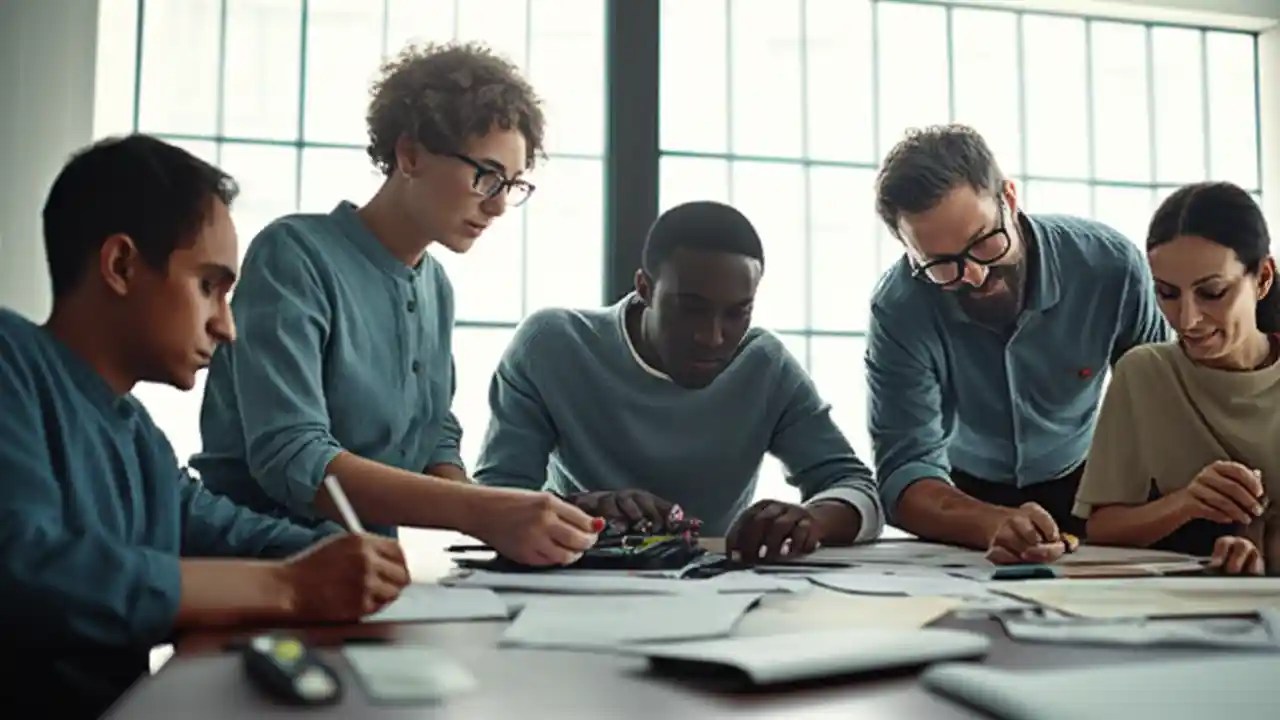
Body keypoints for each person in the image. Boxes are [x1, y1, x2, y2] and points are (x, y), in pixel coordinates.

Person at [0, 135, 410, 718]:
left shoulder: (133, 429)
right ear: (121, 265)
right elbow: (27, 573)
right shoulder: (9, 360)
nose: (227, 327)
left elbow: (221, 528)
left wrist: (342, 555)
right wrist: (290, 587)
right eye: (209, 286)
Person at [191, 42, 600, 565]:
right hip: (257, 563)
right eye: (487, 175)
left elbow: (434, 441)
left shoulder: (435, 286)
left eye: (513, 185)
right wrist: (481, 510)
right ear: (409, 155)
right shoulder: (295, 253)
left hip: (371, 569)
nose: (498, 205)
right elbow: (292, 457)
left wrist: (504, 517)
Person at [473, 201, 884, 561]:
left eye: (738, 312)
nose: (713, 337)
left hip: (718, 592)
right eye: (690, 309)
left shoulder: (764, 364)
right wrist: (584, 508)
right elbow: (492, 497)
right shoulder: (553, 345)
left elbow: (855, 487)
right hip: (574, 576)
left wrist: (809, 520)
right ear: (645, 288)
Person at [866, 124, 1168, 564]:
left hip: (1088, 483)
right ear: (910, 252)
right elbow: (903, 473)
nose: (973, 275)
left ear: (1008, 199)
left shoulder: (1111, 267)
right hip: (960, 496)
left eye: (983, 242)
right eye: (941, 265)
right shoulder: (899, 308)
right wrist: (991, 523)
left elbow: (1159, 413)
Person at [1074, 182, 1278, 575]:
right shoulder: (1144, 373)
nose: (1187, 320)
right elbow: (1102, 528)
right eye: (1167, 293)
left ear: (1263, 278)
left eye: (1213, 293)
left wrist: (1261, 544)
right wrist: (1187, 502)